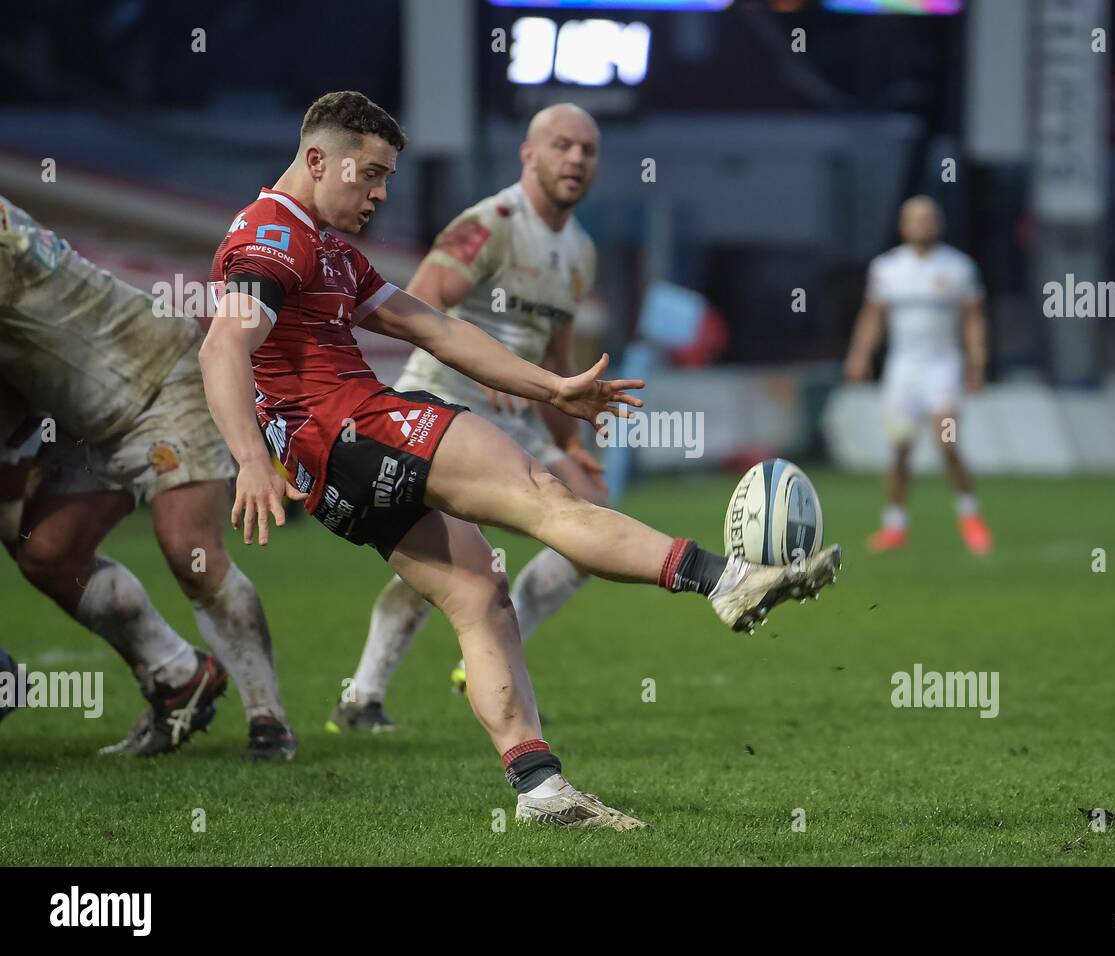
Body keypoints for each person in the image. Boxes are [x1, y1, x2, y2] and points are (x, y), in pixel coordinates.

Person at [200, 90, 841, 829]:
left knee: (480, 596)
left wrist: (553, 389)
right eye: (370, 174)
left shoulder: (331, 249)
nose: (380, 193)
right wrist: (247, 458)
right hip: (353, 424)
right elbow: (223, 345)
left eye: (387, 178)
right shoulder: (272, 235)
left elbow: (436, 330)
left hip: (332, 469)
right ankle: (725, 577)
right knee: (543, 496)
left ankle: (539, 790)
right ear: (317, 160)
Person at [331, 103, 609, 733]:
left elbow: (556, 351)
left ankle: (486, 658)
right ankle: (361, 697)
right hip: (443, 397)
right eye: (562, 145)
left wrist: (569, 435)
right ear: (529, 155)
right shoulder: (491, 223)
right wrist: (494, 364)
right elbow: (421, 298)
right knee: (443, 552)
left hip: (517, 408)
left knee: (592, 511)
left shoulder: (581, 251)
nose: (575, 159)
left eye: (587, 150)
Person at [0, 198, 294, 758]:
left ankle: (269, 720)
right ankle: (176, 677)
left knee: (190, 550)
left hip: (163, 376)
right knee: (48, 553)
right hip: (79, 412)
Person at [844, 195, 993, 555]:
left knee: (946, 443)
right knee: (899, 448)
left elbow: (973, 319)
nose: (922, 224)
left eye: (928, 218)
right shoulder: (887, 269)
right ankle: (894, 525)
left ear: (938, 224)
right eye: (915, 218)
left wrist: (977, 362)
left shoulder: (958, 268)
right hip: (903, 371)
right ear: (903, 225)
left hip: (943, 368)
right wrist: (860, 354)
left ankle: (970, 515)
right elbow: (872, 316)